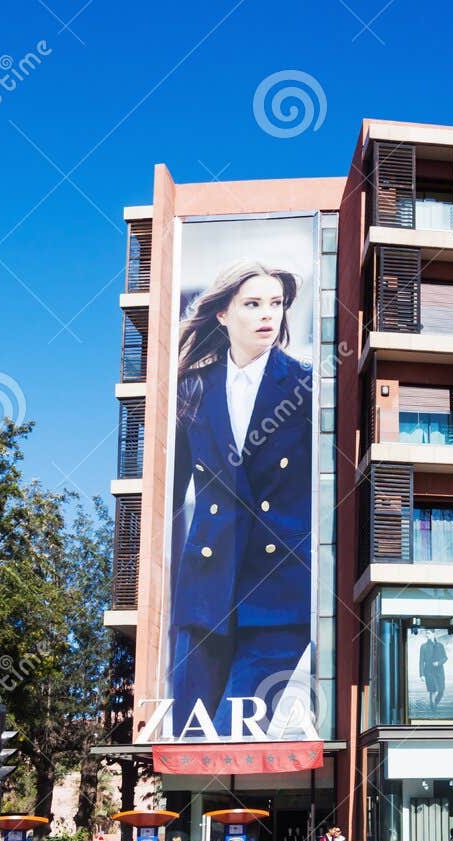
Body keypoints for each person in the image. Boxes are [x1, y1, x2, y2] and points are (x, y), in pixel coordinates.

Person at [167, 260, 313, 737]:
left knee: (235, 736)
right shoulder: (192, 388)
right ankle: (185, 818)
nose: (267, 315)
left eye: (275, 304)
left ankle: (242, 816)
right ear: (223, 314)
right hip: (207, 588)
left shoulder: (307, 386)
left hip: (278, 588)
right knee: (188, 741)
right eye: (252, 304)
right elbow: (170, 489)